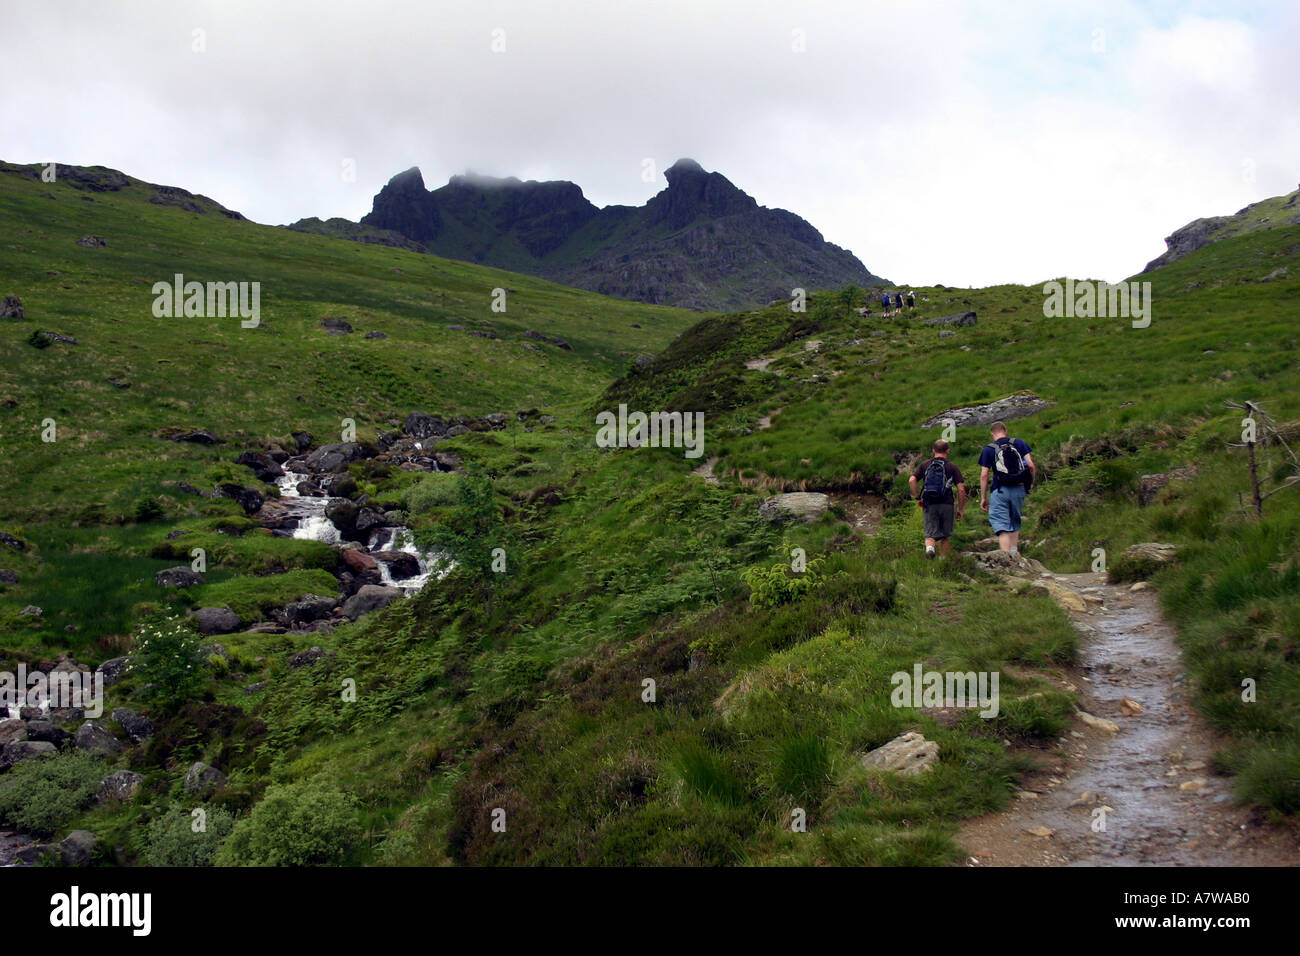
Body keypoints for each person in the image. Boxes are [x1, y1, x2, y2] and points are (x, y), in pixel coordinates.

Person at [978, 421, 1036, 553]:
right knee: (1015, 521)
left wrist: (983, 497)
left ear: (992, 433)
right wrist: (1030, 484)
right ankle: (1015, 554)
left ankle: (1007, 559)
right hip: (1019, 488)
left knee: (1002, 526)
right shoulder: (1019, 443)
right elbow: (1031, 465)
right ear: (1006, 431)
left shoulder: (989, 449)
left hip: (1000, 490)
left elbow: (984, 475)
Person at [909, 439, 966, 558]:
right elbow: (961, 489)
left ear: (933, 451)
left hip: (929, 503)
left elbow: (912, 480)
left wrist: (918, 498)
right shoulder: (952, 467)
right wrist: (960, 509)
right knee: (945, 536)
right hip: (947, 504)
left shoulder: (925, 465)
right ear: (948, 451)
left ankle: (930, 549)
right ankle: (943, 561)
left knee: (930, 534)